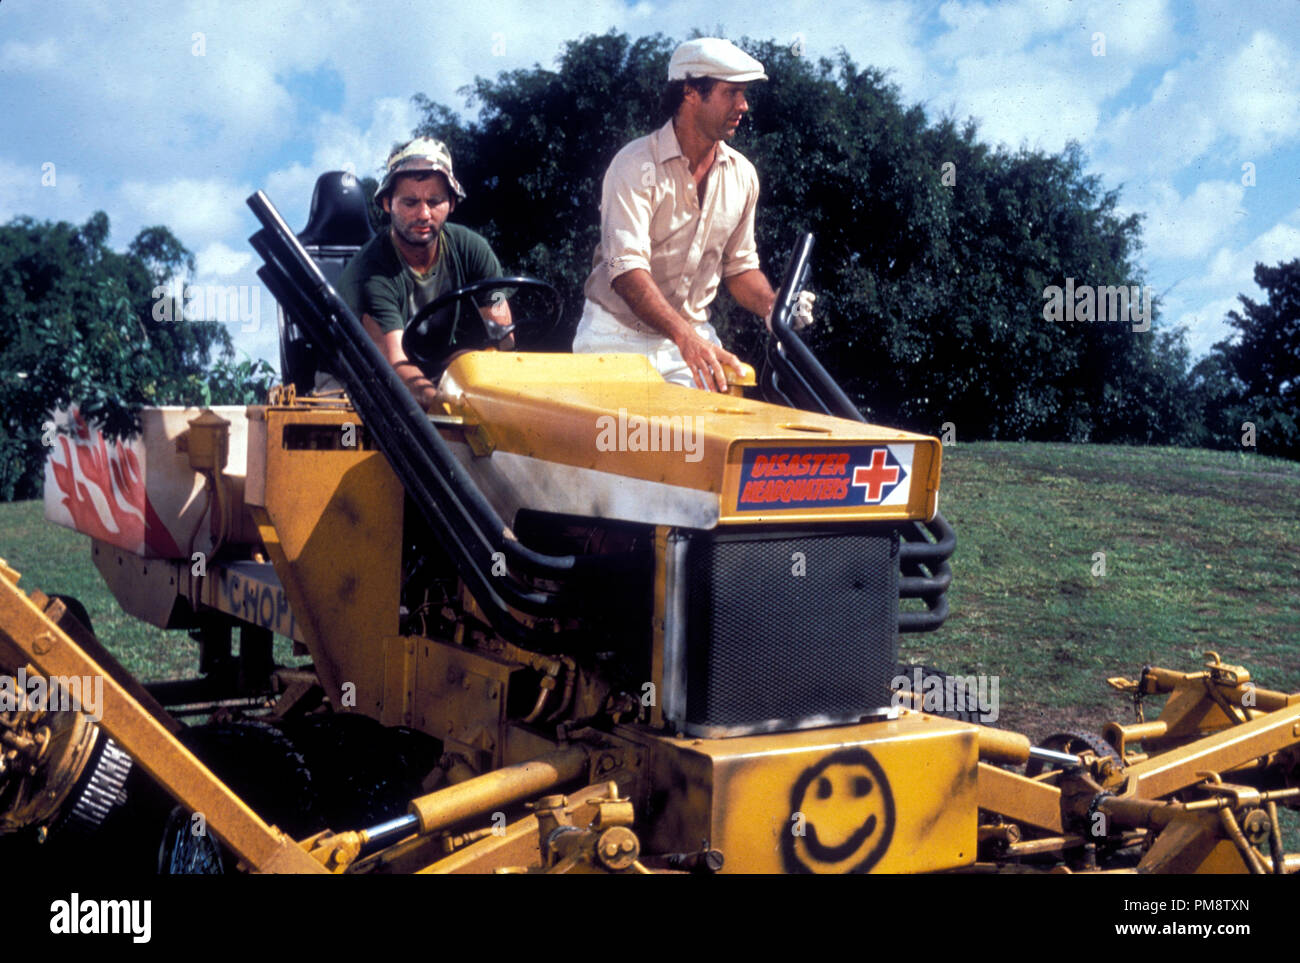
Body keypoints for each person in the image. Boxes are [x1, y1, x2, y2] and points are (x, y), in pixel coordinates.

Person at [573, 37, 813, 392]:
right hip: (614, 338)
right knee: (627, 441)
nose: (743, 105)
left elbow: (740, 267)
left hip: (691, 342)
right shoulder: (634, 164)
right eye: (731, 93)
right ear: (690, 92)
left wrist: (771, 304)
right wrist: (686, 338)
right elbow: (625, 271)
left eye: (744, 94)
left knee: (706, 441)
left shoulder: (743, 175)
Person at [336, 138, 511, 410]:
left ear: (451, 203)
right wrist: (450, 409)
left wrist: (499, 354)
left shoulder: (472, 249)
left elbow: (499, 307)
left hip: (426, 368)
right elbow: (395, 362)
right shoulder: (372, 272)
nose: (424, 214)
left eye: (435, 201)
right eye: (410, 202)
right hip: (359, 379)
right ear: (387, 204)